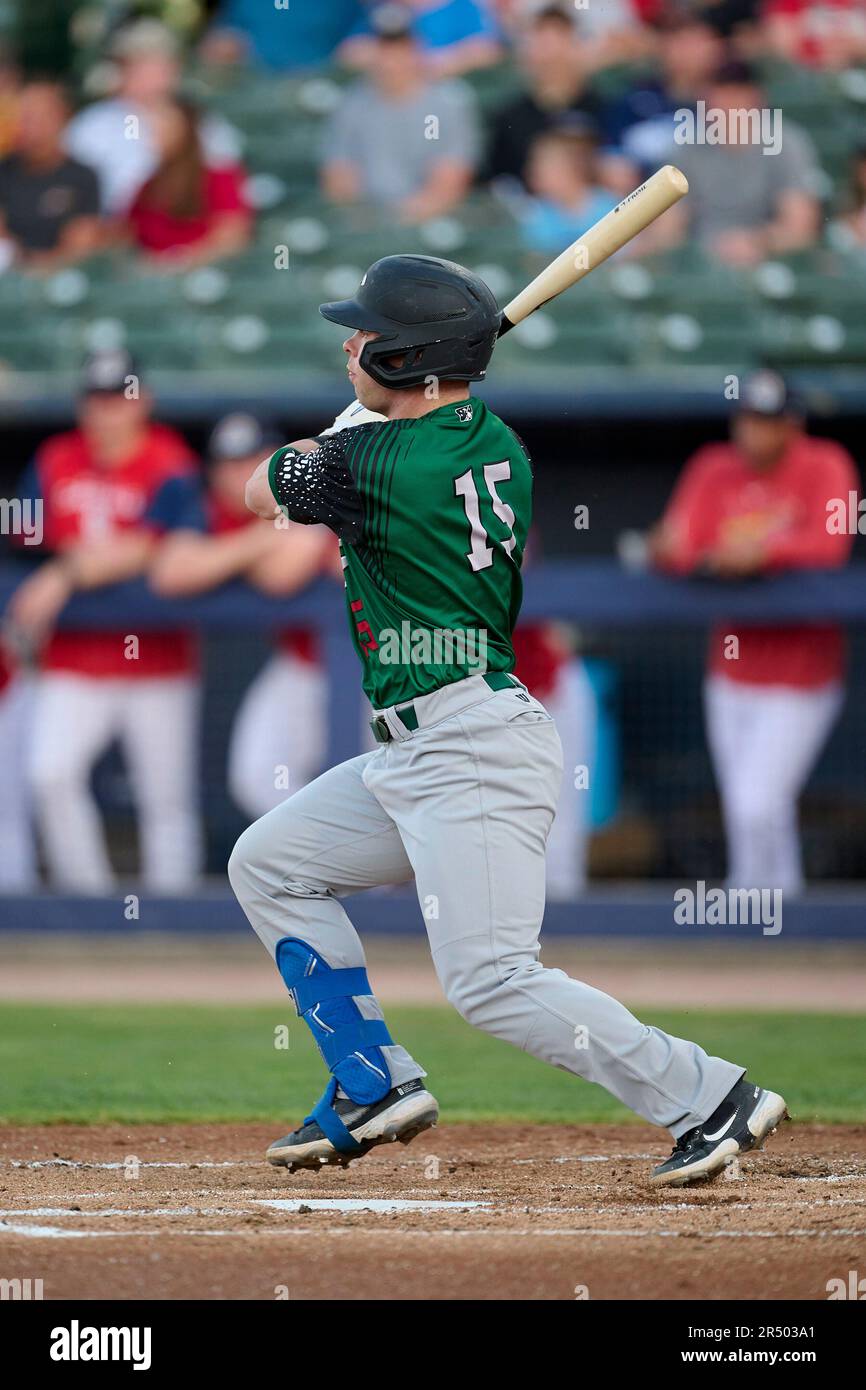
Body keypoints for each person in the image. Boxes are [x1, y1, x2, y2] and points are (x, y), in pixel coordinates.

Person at [229, 252, 787, 1186]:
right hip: (418, 749)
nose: (350, 343)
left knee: (491, 980)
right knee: (271, 863)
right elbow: (366, 456)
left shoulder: (371, 461)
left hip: (469, 745)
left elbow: (256, 492)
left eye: (366, 337)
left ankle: (710, 1095)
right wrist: (371, 410)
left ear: (410, 361)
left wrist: (352, 425)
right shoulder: (495, 442)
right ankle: (371, 1079)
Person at [650, 370, 858, 896]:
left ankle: (773, 910)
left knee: (757, 801)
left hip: (802, 672)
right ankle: (768, 914)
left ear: (792, 424)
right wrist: (693, 554)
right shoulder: (714, 467)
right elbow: (681, 547)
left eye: (768, 421)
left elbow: (831, 545)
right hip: (731, 667)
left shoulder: (825, 463)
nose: (754, 432)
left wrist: (764, 553)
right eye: (747, 419)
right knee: (749, 810)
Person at [6, 351, 205, 893]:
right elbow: (22, 536)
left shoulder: (171, 461)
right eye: (97, 400)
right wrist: (72, 564)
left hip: (158, 658)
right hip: (75, 658)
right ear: (81, 405)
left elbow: (154, 545)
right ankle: (91, 906)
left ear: (145, 403)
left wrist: (70, 570)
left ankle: (173, 924)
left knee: (166, 800)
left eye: (121, 398)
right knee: (49, 775)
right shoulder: (54, 458)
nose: (109, 412)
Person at [150, 413, 335, 819]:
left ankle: (382, 878)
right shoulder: (220, 510)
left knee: (391, 790)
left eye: (252, 461)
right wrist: (258, 540)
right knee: (259, 778)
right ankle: (337, 872)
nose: (240, 476)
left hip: (385, 664)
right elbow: (171, 572)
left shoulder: (315, 487)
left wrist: (227, 555)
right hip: (306, 662)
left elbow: (280, 575)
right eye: (229, 464)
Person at [321, 5, 480, 223]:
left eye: (400, 48)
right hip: (366, 220)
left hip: (428, 222)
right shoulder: (352, 103)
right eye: (385, 47)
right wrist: (364, 219)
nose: (392, 59)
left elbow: (448, 184)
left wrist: (400, 221)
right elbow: (339, 180)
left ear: (416, 48)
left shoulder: (448, 102)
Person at [67, 19, 241, 216]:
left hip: (182, 231)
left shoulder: (203, 123)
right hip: (109, 233)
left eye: (157, 63)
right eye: (137, 63)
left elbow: (227, 195)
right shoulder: (93, 123)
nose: (150, 73)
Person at [659, 60, 822, 265]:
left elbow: (800, 226)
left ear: (756, 97)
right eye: (720, 94)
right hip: (702, 261)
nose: (727, 105)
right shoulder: (689, 149)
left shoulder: (784, 142)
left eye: (736, 94)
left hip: (767, 259)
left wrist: (756, 242)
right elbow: (668, 226)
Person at [484, 4, 616, 191]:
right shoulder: (508, 117)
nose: (551, 57)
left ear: (577, 49)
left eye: (558, 49)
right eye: (542, 47)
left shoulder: (604, 108)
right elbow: (498, 182)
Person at [124, 100, 251, 268]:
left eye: (164, 124)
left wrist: (181, 262)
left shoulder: (219, 176)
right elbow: (130, 233)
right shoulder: (148, 185)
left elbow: (232, 236)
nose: (155, 132)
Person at [0, 79, 101, 271]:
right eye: (24, 118)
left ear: (61, 119)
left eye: (38, 118)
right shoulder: (4, 172)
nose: (29, 127)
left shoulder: (82, 177)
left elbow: (79, 246)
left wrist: (38, 265)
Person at [518, 122, 619, 253]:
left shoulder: (607, 205)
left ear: (574, 167)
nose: (533, 172)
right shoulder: (537, 213)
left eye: (545, 166)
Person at [338, 0, 504, 78]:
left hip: (448, 99)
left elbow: (489, 50)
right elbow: (350, 51)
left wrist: (448, 61)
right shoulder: (384, 8)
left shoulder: (462, 7)